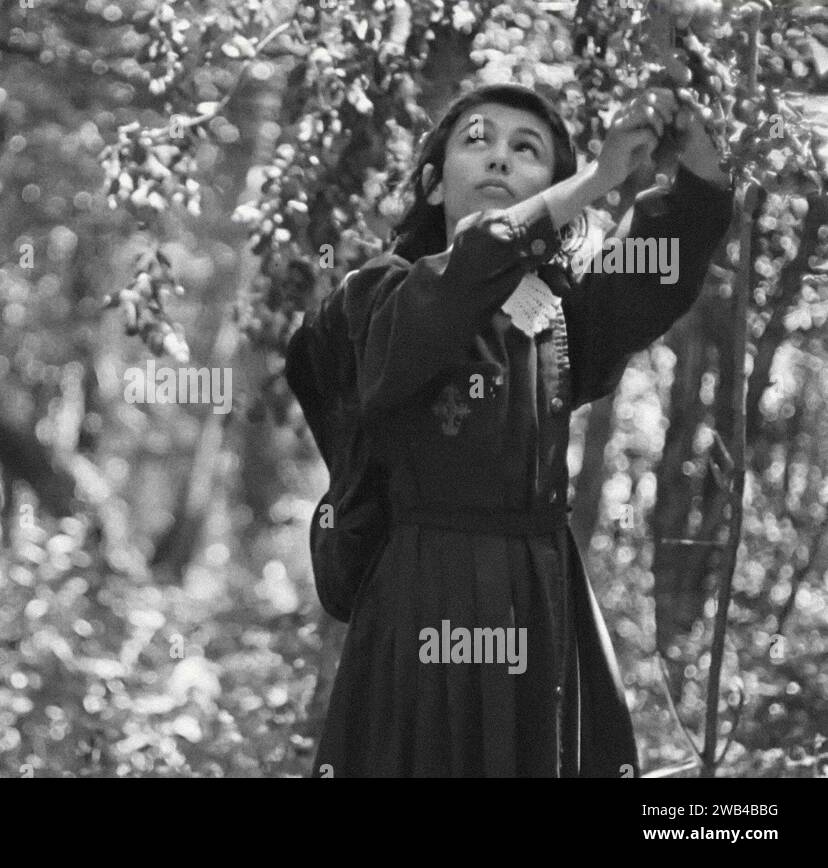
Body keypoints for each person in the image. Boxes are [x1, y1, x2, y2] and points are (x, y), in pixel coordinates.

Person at [285, 83, 733, 777]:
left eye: (526, 151)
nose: (499, 159)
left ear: (547, 192)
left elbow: (648, 279)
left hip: (540, 592)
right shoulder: (377, 293)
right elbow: (444, 299)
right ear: (433, 188)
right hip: (424, 598)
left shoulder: (554, 315)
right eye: (478, 141)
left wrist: (699, 174)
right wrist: (593, 180)